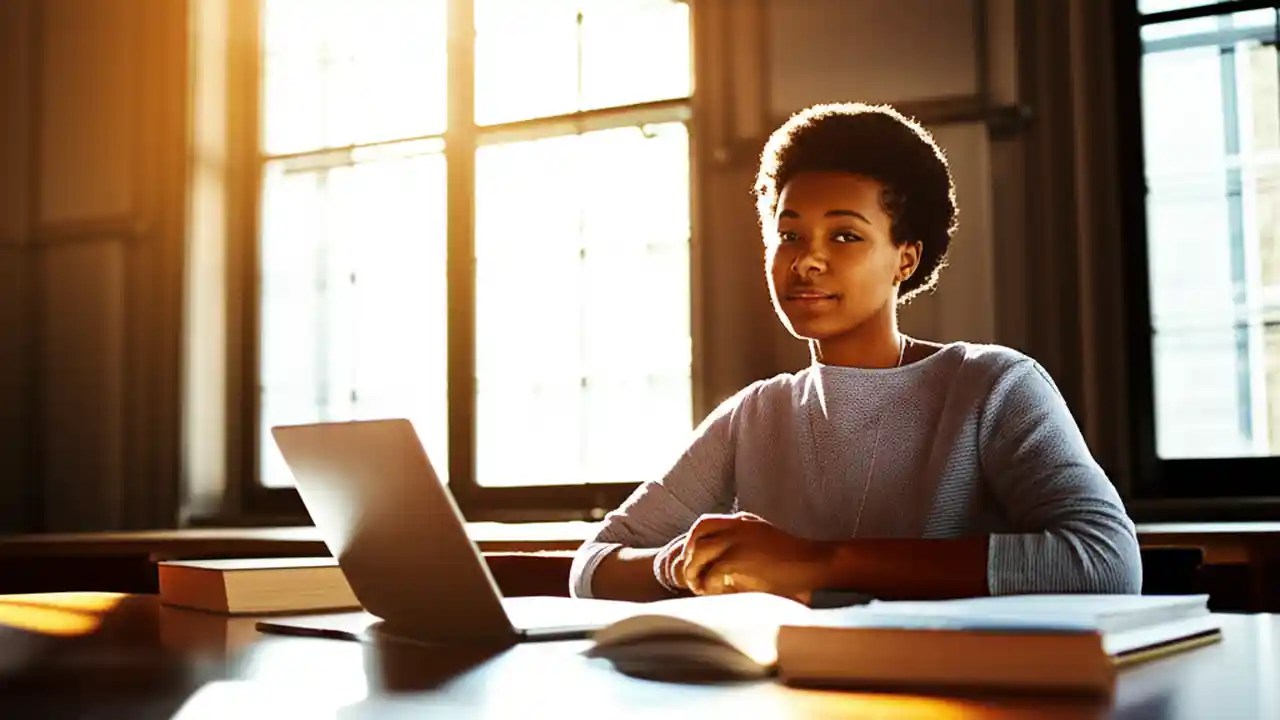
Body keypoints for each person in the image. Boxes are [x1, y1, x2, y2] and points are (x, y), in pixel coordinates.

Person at [569, 102, 1142, 603]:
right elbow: (592, 565)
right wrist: (687, 565)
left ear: (906, 259)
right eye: (789, 234)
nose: (806, 261)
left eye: (844, 235)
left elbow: (1106, 561)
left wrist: (813, 562)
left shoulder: (993, 386)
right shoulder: (755, 415)